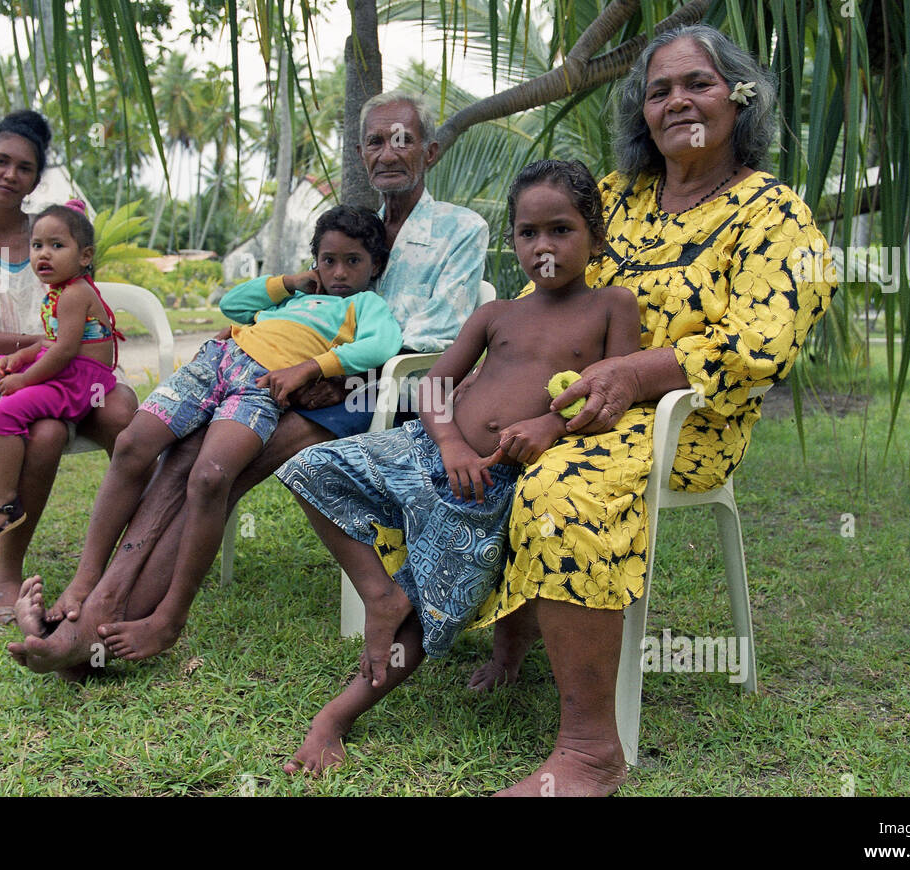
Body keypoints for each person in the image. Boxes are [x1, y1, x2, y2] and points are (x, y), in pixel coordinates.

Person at [462, 25, 836, 796]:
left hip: (686, 422)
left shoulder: (774, 214)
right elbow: (550, 286)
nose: (678, 101)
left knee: (563, 488)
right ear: (642, 111)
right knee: (470, 447)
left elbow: (763, 344)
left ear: (737, 96)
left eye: (697, 83)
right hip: (575, 401)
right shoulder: (618, 195)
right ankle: (502, 640)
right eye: (659, 89)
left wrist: (637, 372)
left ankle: (590, 751)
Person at [8, 91, 489, 679]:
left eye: (403, 139)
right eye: (374, 140)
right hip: (291, 380)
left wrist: (333, 379)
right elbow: (290, 307)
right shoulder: (348, 232)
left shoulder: (459, 228)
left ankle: (92, 634)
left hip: (379, 394)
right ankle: (95, 610)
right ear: (361, 152)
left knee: (217, 471)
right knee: (181, 454)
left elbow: (437, 339)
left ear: (430, 151)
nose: (388, 152)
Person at [274, 159, 640, 774]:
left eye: (561, 230)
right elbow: (436, 386)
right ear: (514, 241)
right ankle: (377, 596)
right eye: (528, 233)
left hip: (484, 488)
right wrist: (447, 444)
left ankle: (337, 715)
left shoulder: (612, 306)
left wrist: (551, 426)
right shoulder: (497, 315)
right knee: (312, 467)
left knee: (433, 604)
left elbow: (610, 396)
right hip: (429, 451)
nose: (543, 247)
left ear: (596, 239)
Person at [7, 206, 403, 670]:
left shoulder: (364, 306)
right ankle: (85, 579)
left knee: (211, 477)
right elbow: (233, 305)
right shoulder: (290, 299)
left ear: (375, 265)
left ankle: (170, 615)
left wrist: (312, 367)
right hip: (216, 361)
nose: (338, 273)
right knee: (134, 445)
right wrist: (290, 282)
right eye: (328, 260)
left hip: (261, 385)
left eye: (353, 261)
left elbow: (380, 345)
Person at [0, 110, 137, 621]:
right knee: (40, 435)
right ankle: (8, 569)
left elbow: (85, 309)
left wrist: (55, 350)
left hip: (78, 372)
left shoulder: (56, 228)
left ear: (35, 178)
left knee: (125, 421)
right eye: (0, 161)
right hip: (17, 379)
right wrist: (35, 347)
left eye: (24, 167)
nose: (10, 175)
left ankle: (139, 556)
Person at [0, 201, 122, 547]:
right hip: (68, 368)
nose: (44, 254)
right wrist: (20, 356)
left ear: (85, 255)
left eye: (57, 246)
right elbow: (51, 342)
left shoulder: (75, 294)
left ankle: (2, 504)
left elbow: (62, 351)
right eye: (37, 245)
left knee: (6, 410)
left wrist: (24, 379)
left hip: (83, 382)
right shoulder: (58, 292)